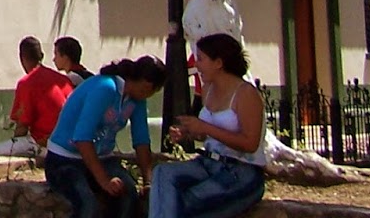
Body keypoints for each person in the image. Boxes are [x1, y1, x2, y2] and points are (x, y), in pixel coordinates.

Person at [148, 35, 265, 218]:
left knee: (187, 201)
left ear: (218, 63)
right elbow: (206, 134)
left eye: (201, 59)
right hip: (208, 162)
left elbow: (251, 144)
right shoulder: (208, 90)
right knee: (162, 172)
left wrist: (205, 128)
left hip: (240, 170)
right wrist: (188, 132)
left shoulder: (246, 94)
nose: (197, 66)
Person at [44, 55, 164, 218]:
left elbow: (141, 140)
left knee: (128, 195)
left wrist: (148, 181)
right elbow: (82, 137)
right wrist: (104, 181)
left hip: (103, 158)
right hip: (66, 159)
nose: (147, 95)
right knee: (87, 205)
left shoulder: (137, 99)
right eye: (148, 90)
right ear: (144, 83)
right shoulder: (106, 87)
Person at [6, 36, 74, 152]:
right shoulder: (64, 80)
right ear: (42, 56)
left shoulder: (26, 82)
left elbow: (22, 127)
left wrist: (14, 144)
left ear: (22, 58)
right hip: (71, 142)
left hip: (45, 143)